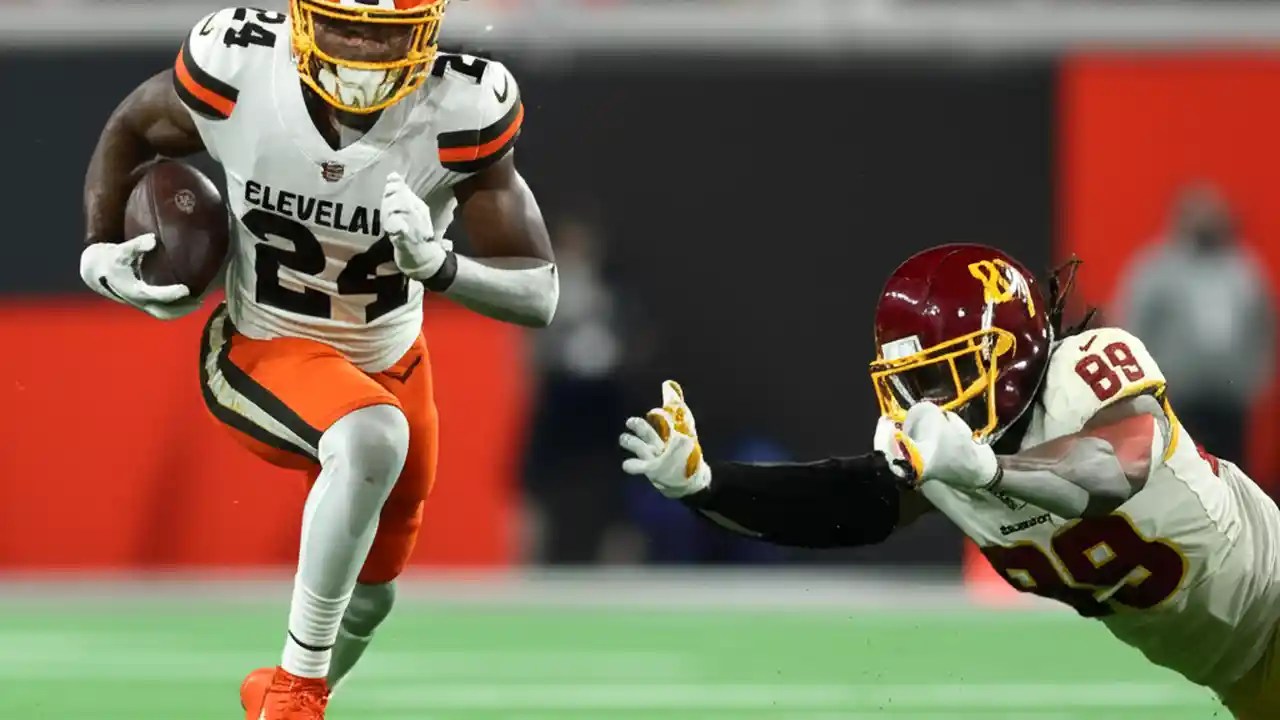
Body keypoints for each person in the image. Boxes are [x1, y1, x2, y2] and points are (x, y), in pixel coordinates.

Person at [78, 1, 558, 718]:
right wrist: (97, 244)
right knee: (373, 434)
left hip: (393, 358)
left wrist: (442, 265)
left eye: (387, 31)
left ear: (425, 30)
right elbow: (133, 127)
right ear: (301, 17)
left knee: (372, 596)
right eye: (344, 23)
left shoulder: (460, 107)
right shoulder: (240, 68)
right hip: (262, 344)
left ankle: (280, 695)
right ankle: (296, 694)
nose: (365, 49)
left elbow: (538, 292)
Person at [619, 244, 1280, 719]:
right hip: (1241, 676)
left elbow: (1114, 471)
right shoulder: (947, 464)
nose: (924, 404)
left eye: (940, 377)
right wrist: (708, 484)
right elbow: (838, 506)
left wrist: (992, 470)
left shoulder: (1084, 372)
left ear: (1011, 353)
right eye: (910, 385)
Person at [1115, 183, 1275, 472]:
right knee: (1181, 473)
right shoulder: (1156, 269)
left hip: (1230, 400)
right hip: (1177, 398)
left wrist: (1257, 379)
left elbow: (1263, 327)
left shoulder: (1243, 270)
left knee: (1231, 474)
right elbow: (1133, 324)